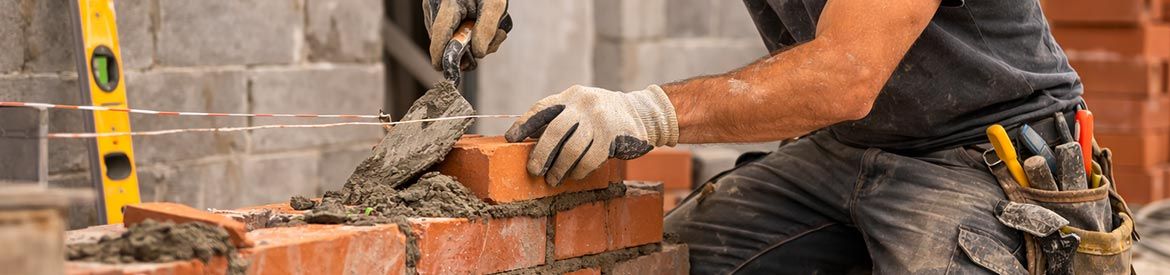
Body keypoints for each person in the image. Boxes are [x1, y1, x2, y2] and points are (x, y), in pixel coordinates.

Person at [423, 0, 1083, 273]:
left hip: (979, 152)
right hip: (845, 149)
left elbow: (847, 76)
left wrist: (647, 112)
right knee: (663, 260)